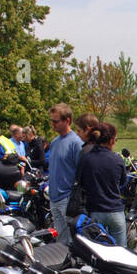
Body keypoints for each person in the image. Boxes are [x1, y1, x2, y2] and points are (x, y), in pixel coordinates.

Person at [74, 118, 128, 246]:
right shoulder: (117, 159)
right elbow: (122, 182)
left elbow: (80, 181)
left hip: (95, 210)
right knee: (121, 251)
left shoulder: (87, 158)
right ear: (111, 140)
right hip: (115, 210)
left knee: (98, 250)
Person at [46, 102, 80, 238]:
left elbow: (81, 172)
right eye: (51, 121)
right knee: (61, 240)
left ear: (67, 121)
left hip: (67, 198)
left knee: (72, 239)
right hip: (54, 198)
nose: (53, 124)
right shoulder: (54, 142)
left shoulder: (75, 143)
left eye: (56, 121)